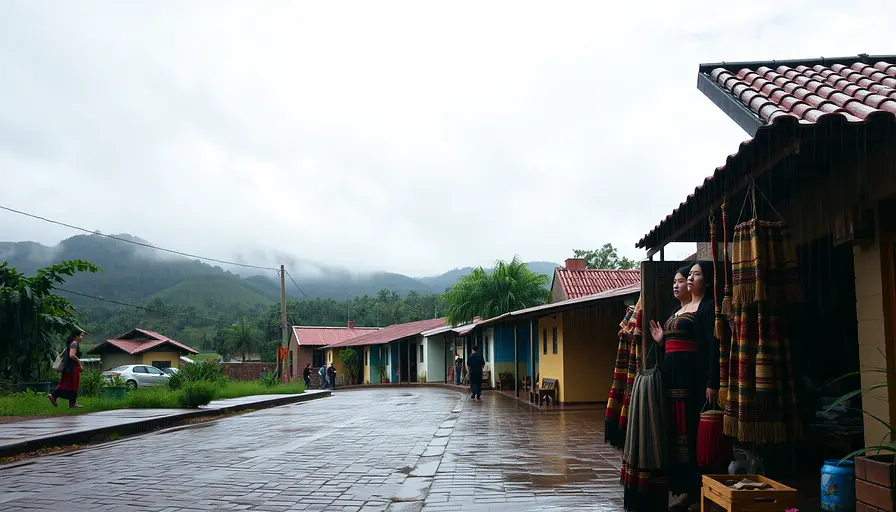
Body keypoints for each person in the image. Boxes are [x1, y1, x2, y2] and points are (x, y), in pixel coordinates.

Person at [649, 262, 720, 510]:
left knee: (691, 434)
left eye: (695, 274)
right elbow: (672, 346)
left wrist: (712, 381)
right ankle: (684, 490)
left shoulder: (707, 307)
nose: (689, 278)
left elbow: (712, 347)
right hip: (672, 382)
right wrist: (661, 341)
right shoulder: (678, 310)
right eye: (688, 274)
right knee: (677, 434)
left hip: (692, 380)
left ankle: (699, 491)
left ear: (706, 280)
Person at [47, 329, 85, 408]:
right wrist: (79, 362)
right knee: (70, 385)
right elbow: (72, 355)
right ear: (76, 336)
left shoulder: (71, 344)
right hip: (72, 368)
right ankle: (54, 396)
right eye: (81, 335)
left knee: (69, 385)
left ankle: (72, 403)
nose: (82, 337)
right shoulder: (74, 344)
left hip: (69, 368)